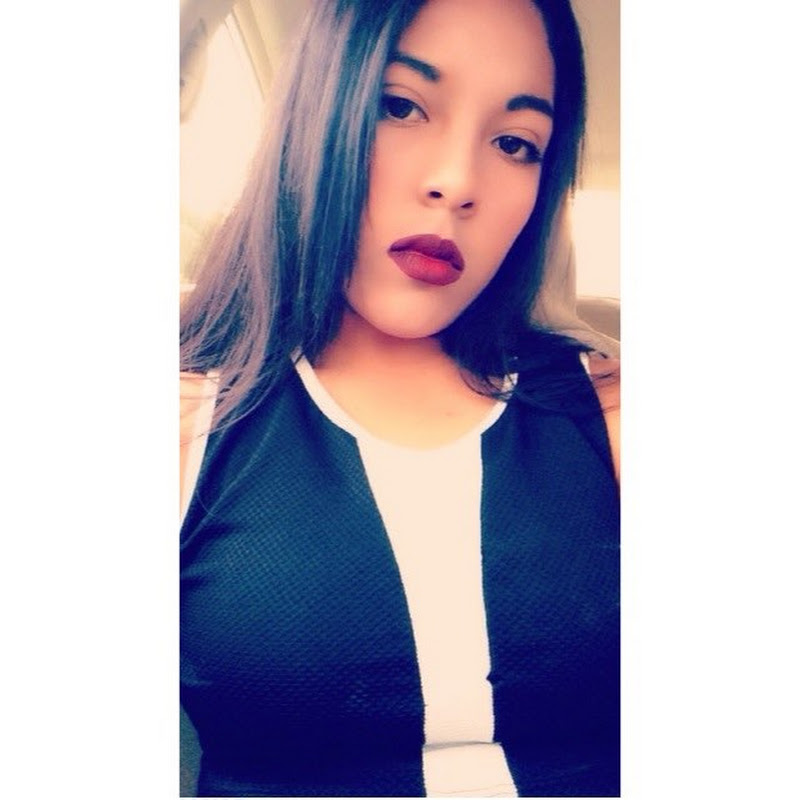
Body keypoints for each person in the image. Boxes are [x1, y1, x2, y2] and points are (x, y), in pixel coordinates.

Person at [180, 0, 620, 796]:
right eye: (401, 106)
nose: (456, 183)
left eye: (515, 144)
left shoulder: (609, 411)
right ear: (317, 111)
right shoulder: (185, 421)